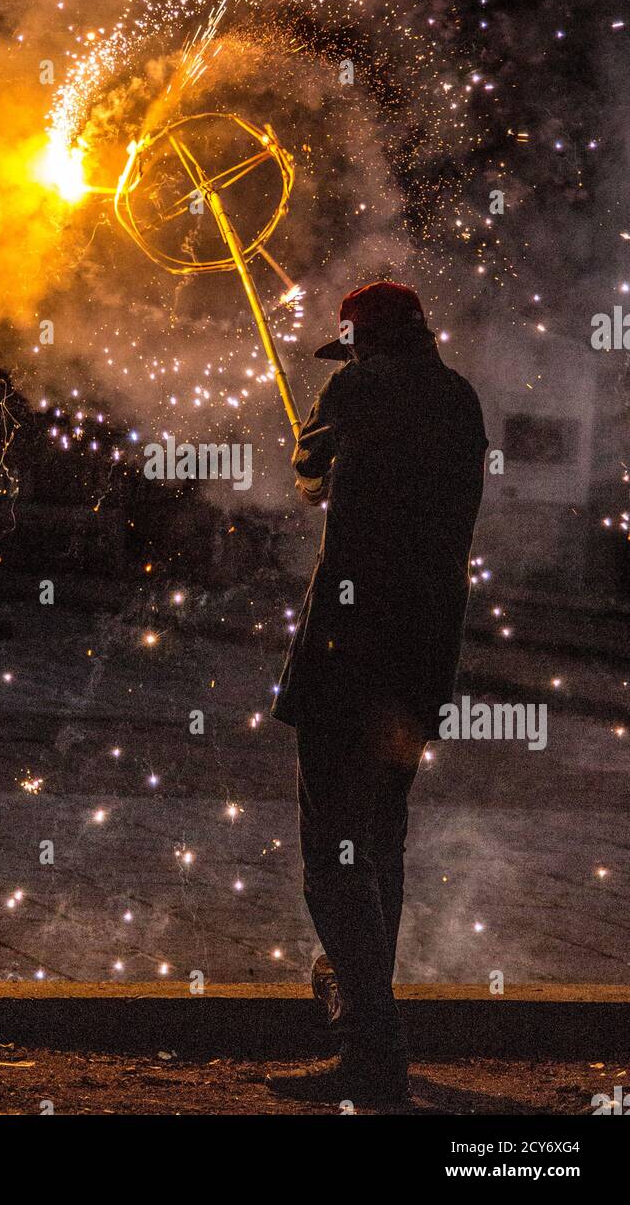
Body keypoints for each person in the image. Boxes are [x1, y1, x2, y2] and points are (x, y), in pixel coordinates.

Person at [267, 276, 487, 1106]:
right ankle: (368, 1019)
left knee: (331, 854)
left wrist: (314, 447)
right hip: (420, 661)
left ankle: (371, 1043)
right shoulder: (459, 401)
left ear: (360, 342)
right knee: (381, 843)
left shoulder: (353, 386)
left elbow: (310, 476)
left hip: (344, 659)